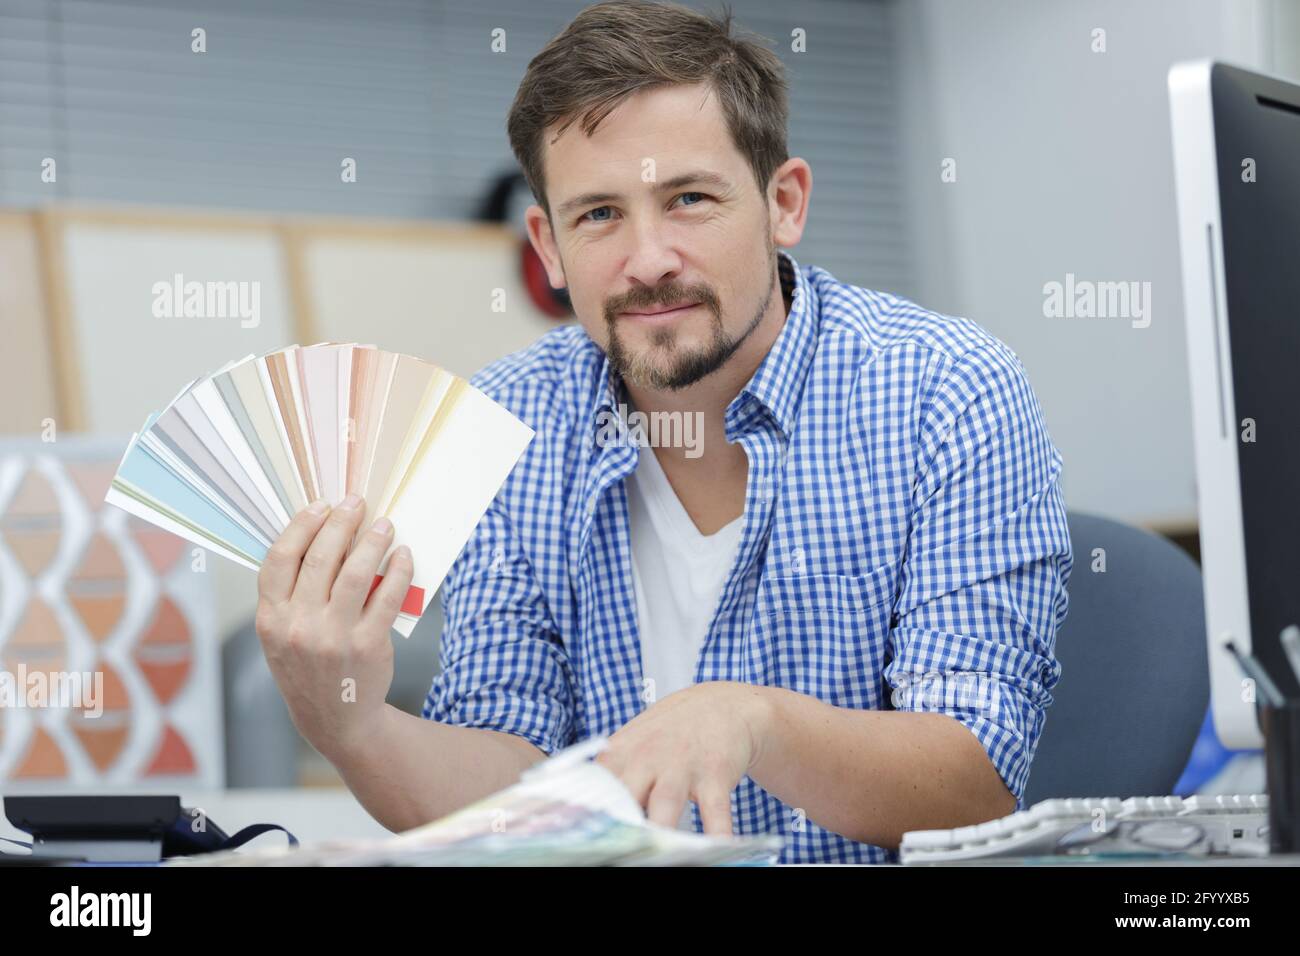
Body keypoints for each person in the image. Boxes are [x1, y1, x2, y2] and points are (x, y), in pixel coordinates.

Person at [253, 0, 1072, 864]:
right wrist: (349, 725)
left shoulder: (948, 391)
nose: (648, 261)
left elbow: (973, 780)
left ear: (783, 203)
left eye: (688, 199)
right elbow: (510, 793)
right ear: (549, 247)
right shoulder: (508, 425)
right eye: (599, 215)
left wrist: (751, 720)